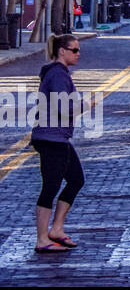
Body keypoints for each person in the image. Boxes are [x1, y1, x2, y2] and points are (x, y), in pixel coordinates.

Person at [31, 33, 86, 254]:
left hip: (57, 137)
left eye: (79, 50)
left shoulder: (59, 73)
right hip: (51, 138)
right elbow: (64, 108)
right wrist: (85, 105)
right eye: (74, 50)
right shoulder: (58, 75)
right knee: (51, 186)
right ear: (61, 51)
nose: (78, 54)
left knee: (75, 180)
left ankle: (57, 229)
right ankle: (42, 238)